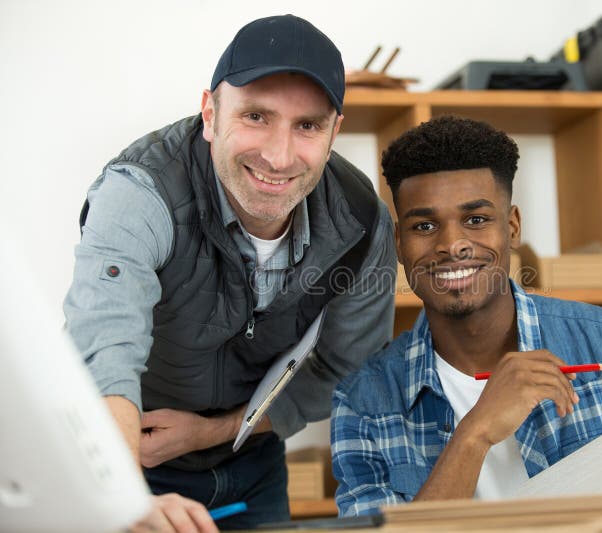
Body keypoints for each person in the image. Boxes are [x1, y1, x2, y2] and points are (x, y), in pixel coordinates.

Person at [63, 14, 396, 531]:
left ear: (335, 133)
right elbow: (104, 347)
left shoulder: (363, 222)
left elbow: (343, 368)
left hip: (255, 467)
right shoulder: (139, 193)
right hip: (132, 464)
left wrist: (213, 431)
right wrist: (125, 499)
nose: (278, 156)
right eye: (256, 117)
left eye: (307, 125)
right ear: (210, 112)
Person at [330, 116, 602, 516]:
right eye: (424, 225)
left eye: (476, 220)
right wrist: (475, 434)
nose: (452, 245)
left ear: (512, 227)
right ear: (399, 244)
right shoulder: (363, 401)